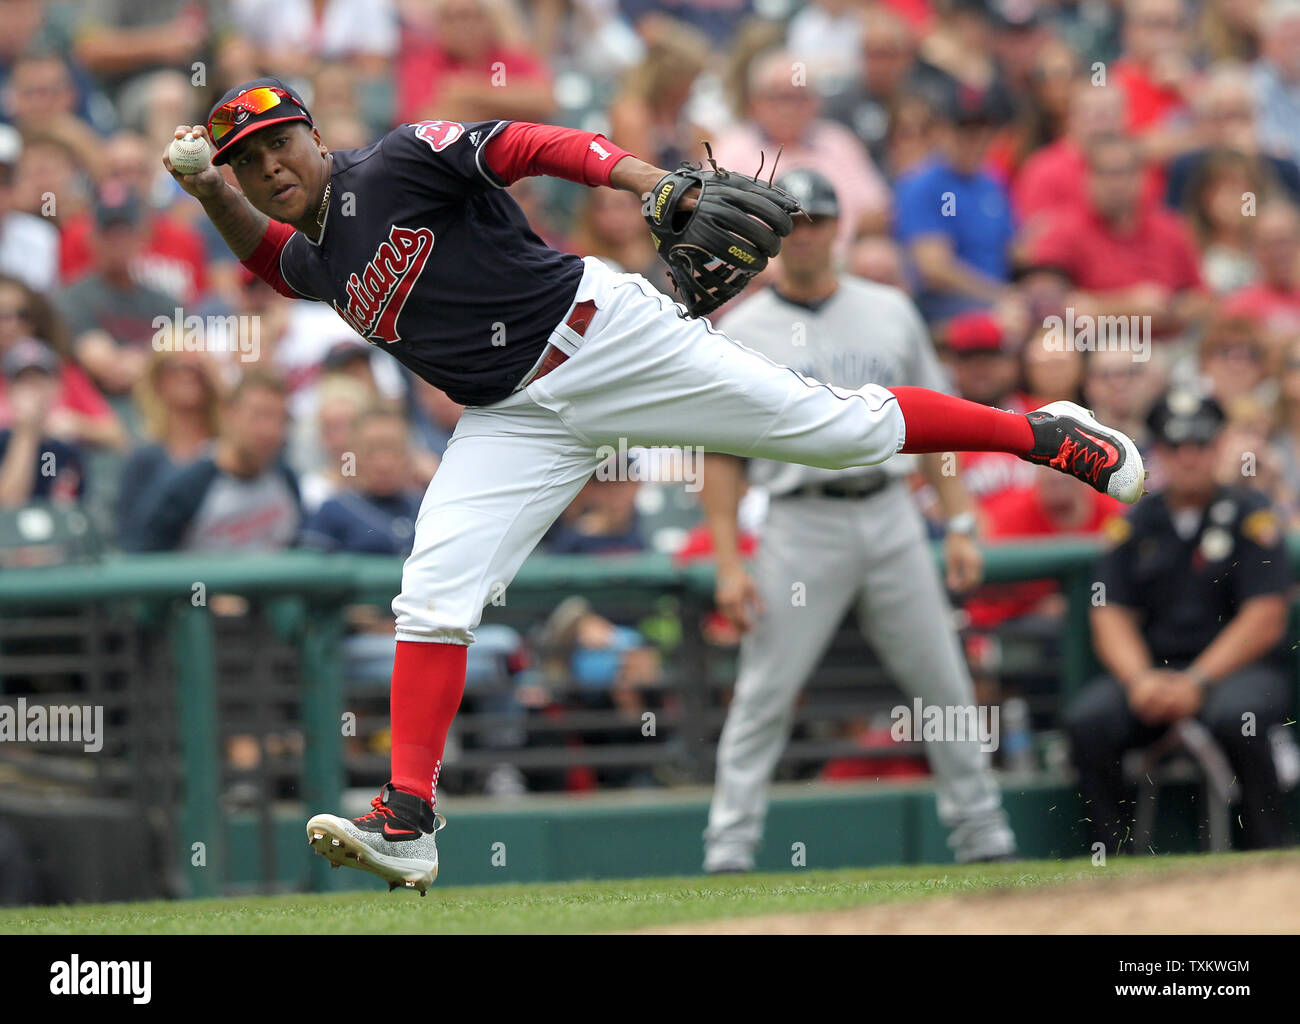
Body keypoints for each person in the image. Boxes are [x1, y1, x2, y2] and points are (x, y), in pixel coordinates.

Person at [166, 77, 1145, 894]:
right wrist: (208, 191)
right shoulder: (313, 252)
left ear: (313, 134)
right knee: (432, 589)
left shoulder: (396, 162)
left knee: (838, 432)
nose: (270, 170)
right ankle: (410, 817)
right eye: (250, 163)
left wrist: (651, 184)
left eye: (277, 145)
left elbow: (526, 141)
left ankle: (1040, 432)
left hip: (601, 337)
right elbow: (273, 261)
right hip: (512, 417)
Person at [699, 171, 1016, 870]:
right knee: (765, 692)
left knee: (943, 681)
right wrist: (728, 560)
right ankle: (730, 847)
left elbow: (938, 423)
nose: (806, 232)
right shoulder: (740, 328)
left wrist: (960, 522)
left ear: (839, 227)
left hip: (890, 510)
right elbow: (720, 457)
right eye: (794, 220)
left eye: (817, 218)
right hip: (798, 519)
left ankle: (983, 834)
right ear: (775, 233)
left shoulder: (891, 310)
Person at [1065, 390, 1294, 853]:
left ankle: (1268, 854)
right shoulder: (1135, 523)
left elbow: (1265, 617)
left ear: (1220, 446)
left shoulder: (1254, 516)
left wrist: (1198, 680)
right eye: (1175, 447)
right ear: (1160, 453)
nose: (1189, 457)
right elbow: (1109, 615)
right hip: (1153, 675)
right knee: (1088, 721)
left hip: (1238, 673)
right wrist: (1140, 681)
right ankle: (1110, 859)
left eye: (1201, 445)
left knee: (1240, 717)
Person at [122, 370, 300, 553]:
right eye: (259, 416)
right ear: (229, 414)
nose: (269, 431)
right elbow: (144, 557)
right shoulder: (189, 486)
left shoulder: (286, 479)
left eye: (280, 420)